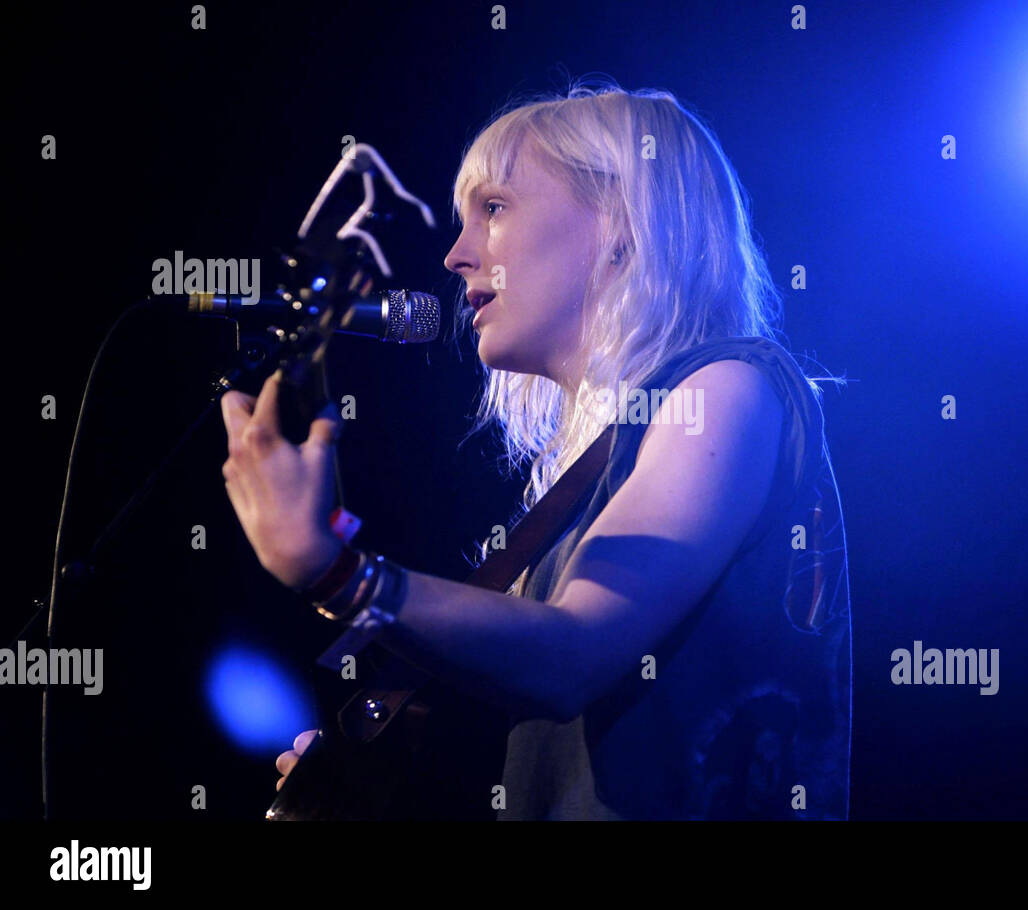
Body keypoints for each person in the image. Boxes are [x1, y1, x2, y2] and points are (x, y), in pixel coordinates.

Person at [223, 79, 852, 820]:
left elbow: (573, 651)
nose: (456, 256)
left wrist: (345, 576)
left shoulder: (729, 388)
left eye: (493, 209)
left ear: (623, 218)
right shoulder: (585, 486)